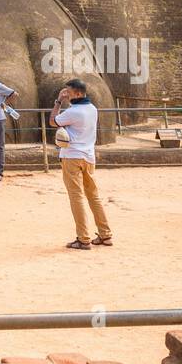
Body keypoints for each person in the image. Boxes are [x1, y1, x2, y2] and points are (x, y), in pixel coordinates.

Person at [50, 79, 113, 250]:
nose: (67, 95)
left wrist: (58, 101)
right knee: (93, 196)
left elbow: (53, 121)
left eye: (69, 92)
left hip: (72, 157)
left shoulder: (73, 112)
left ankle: (83, 238)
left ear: (78, 93)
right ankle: (105, 234)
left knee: (76, 197)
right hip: (88, 157)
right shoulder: (92, 109)